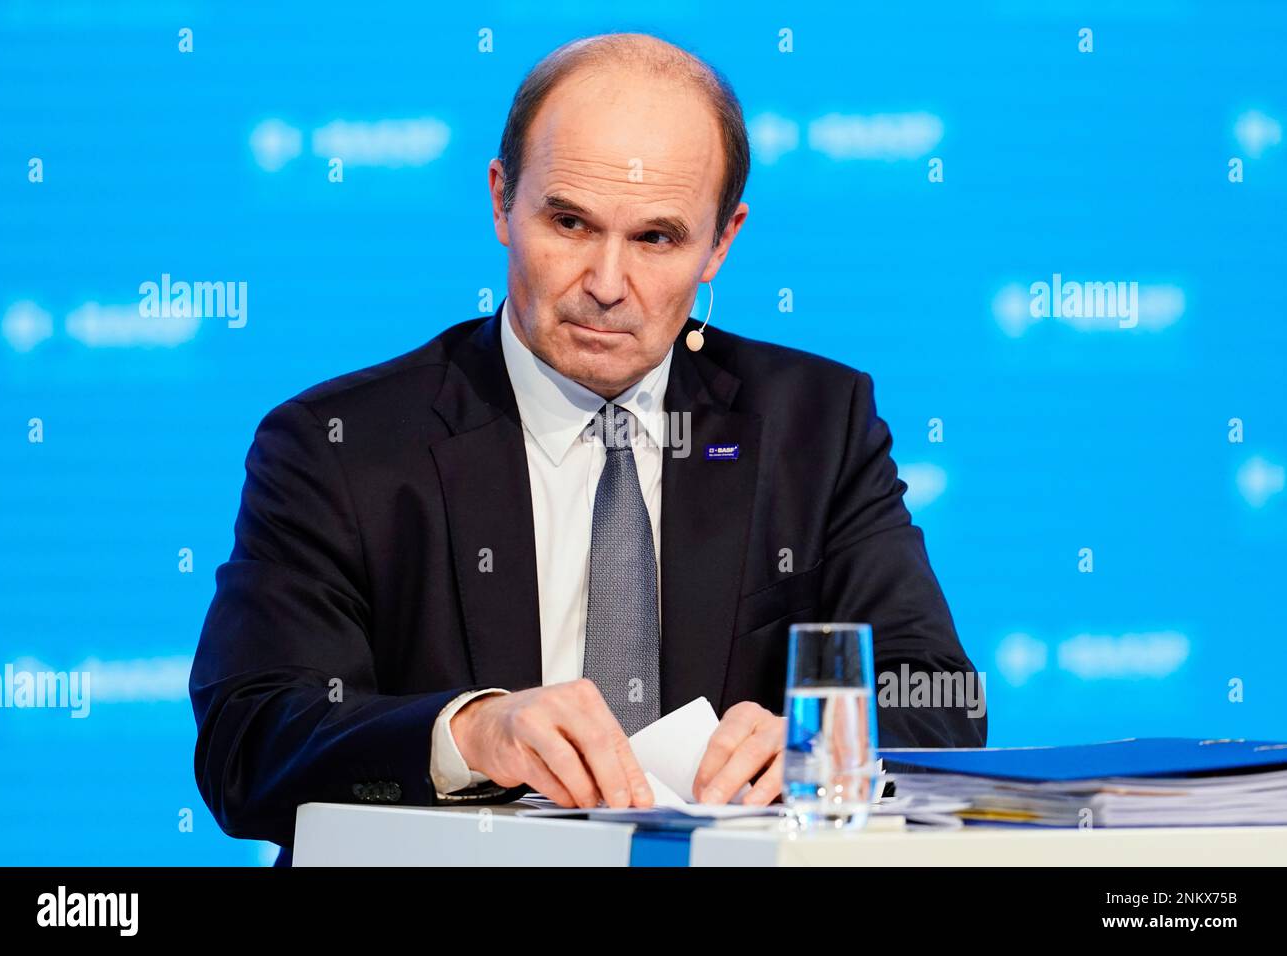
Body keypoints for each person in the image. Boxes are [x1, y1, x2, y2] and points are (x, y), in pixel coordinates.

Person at [189, 32, 985, 865]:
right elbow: (249, 743)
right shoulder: (340, 448)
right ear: (501, 201)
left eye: (657, 239)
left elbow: (941, 700)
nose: (606, 284)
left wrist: (815, 743)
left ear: (722, 242)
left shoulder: (817, 426)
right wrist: (469, 733)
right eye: (569, 222)